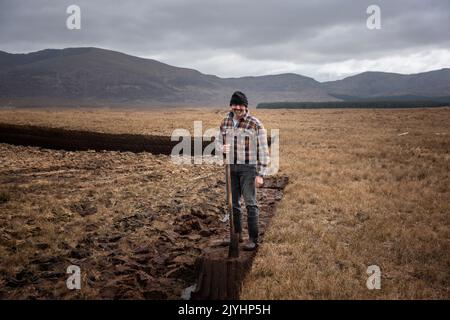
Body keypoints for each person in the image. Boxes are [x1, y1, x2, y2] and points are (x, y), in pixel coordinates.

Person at [218, 91, 270, 251]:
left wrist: (260, 174)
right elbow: (218, 142)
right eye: (235, 104)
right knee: (233, 203)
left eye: (241, 105)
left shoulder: (255, 124)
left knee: (250, 203)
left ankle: (253, 239)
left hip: (248, 168)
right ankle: (237, 235)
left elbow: (263, 150)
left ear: (245, 106)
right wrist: (221, 147)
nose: (238, 108)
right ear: (231, 105)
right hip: (231, 167)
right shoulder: (226, 121)